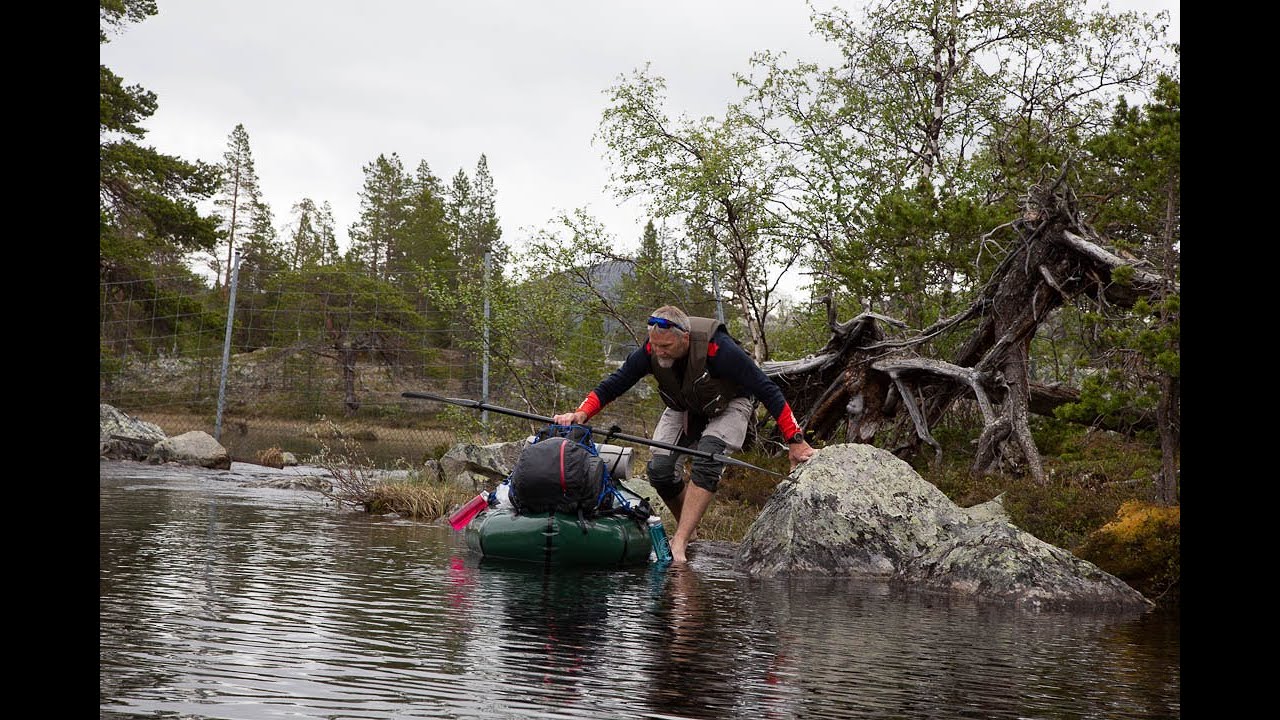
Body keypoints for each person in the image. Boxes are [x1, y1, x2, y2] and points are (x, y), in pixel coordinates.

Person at [553, 305, 816, 563]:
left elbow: (769, 391)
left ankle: (680, 540)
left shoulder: (720, 349)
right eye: (655, 346)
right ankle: (688, 531)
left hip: (730, 403)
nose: (658, 352)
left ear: (685, 338)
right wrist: (581, 413)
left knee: (707, 459)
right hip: (685, 407)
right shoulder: (650, 349)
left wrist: (796, 441)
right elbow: (615, 383)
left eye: (666, 347)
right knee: (660, 470)